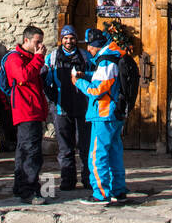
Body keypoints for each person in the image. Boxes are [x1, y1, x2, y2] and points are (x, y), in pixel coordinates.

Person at [72, 27, 128, 206]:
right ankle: (118, 190)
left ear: (96, 45)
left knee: (97, 155)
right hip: (114, 114)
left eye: (90, 46)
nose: (88, 49)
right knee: (114, 153)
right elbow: (104, 80)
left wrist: (78, 81)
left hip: (103, 114)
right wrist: (87, 75)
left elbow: (96, 90)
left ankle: (100, 193)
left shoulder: (106, 62)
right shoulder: (113, 57)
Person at [3, 26, 48, 204]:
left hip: (33, 111)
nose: (40, 46)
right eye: (37, 42)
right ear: (26, 40)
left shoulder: (29, 58)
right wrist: (38, 59)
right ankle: (28, 190)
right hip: (26, 111)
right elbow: (23, 76)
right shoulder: (15, 58)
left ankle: (20, 187)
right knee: (31, 153)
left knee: (24, 151)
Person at [44, 25, 91, 191]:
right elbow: (46, 79)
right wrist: (51, 98)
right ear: (61, 39)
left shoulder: (85, 56)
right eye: (65, 38)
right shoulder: (53, 57)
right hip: (61, 107)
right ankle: (67, 180)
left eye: (71, 38)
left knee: (85, 145)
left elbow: (93, 74)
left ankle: (87, 178)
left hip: (82, 106)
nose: (69, 41)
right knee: (65, 147)